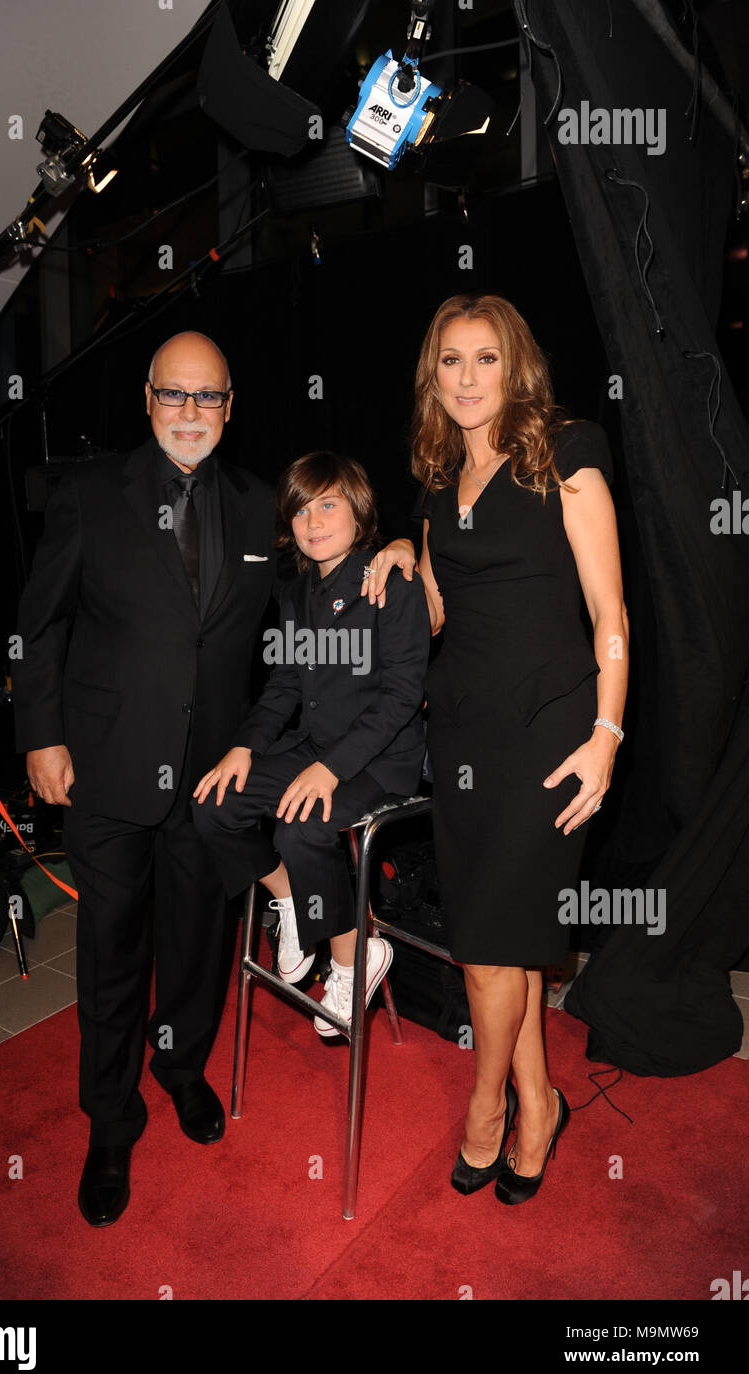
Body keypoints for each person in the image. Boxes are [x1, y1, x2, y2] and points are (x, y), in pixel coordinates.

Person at [361, 293, 629, 1204]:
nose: (467, 378)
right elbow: (439, 609)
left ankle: (490, 1108)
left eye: (484, 359)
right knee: (500, 942)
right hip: (464, 731)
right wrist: (403, 546)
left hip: (552, 732)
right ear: (431, 375)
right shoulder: (438, 480)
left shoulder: (568, 449)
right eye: (450, 361)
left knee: (487, 949)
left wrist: (607, 736)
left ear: (514, 367)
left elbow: (611, 614)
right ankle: (540, 1101)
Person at [10, 331, 277, 1226]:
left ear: (231, 406)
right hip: (110, 771)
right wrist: (41, 738)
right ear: (148, 400)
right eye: (175, 396)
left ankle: (181, 1070)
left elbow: (308, 604)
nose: (191, 414)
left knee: (200, 949)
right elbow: (39, 629)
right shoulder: (90, 495)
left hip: (212, 783)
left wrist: (395, 553)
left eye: (209, 398)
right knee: (112, 956)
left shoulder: (256, 505)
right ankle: (111, 1123)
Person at [192, 451, 430, 1034]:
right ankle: (296, 900)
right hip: (317, 745)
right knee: (212, 803)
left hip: (382, 761)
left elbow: (402, 698)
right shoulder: (296, 594)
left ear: (360, 512)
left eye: (328, 505)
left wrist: (329, 767)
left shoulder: (390, 581)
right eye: (301, 510)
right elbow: (285, 683)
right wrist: (245, 745)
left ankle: (354, 957)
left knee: (303, 823)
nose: (314, 521)